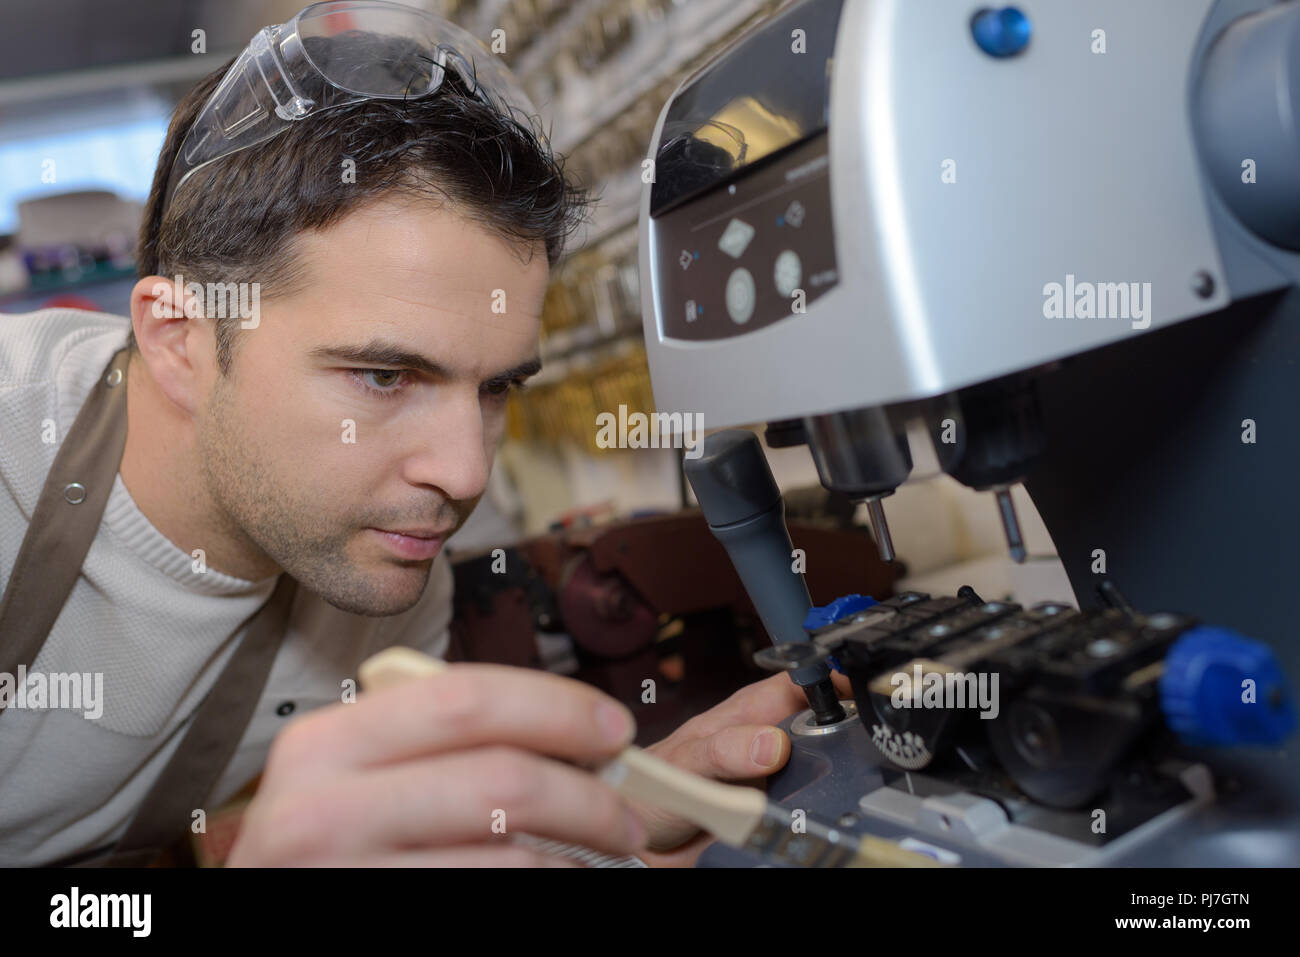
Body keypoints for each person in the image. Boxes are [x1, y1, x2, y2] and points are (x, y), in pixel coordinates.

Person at [0, 1, 847, 868]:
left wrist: (608, 817)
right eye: (384, 375)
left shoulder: (387, 582)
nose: (464, 472)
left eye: (497, 388)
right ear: (180, 341)